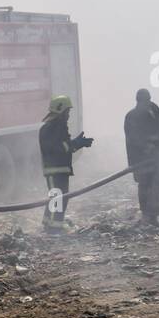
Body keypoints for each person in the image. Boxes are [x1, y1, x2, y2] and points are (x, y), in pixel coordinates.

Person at [38, 95, 93, 233]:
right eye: (67, 112)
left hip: (60, 169)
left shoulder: (58, 127)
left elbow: (64, 146)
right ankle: (54, 229)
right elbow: (59, 148)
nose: (68, 115)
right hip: (54, 170)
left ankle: (48, 223)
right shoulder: (50, 128)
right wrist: (76, 144)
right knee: (58, 198)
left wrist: (77, 143)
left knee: (58, 197)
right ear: (60, 110)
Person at [124, 88, 159, 227]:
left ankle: (154, 215)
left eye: (148, 100)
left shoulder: (156, 111)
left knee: (157, 182)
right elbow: (132, 139)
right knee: (144, 183)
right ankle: (146, 214)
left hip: (157, 156)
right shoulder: (132, 116)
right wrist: (146, 148)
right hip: (140, 158)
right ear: (138, 101)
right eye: (144, 101)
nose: (147, 103)